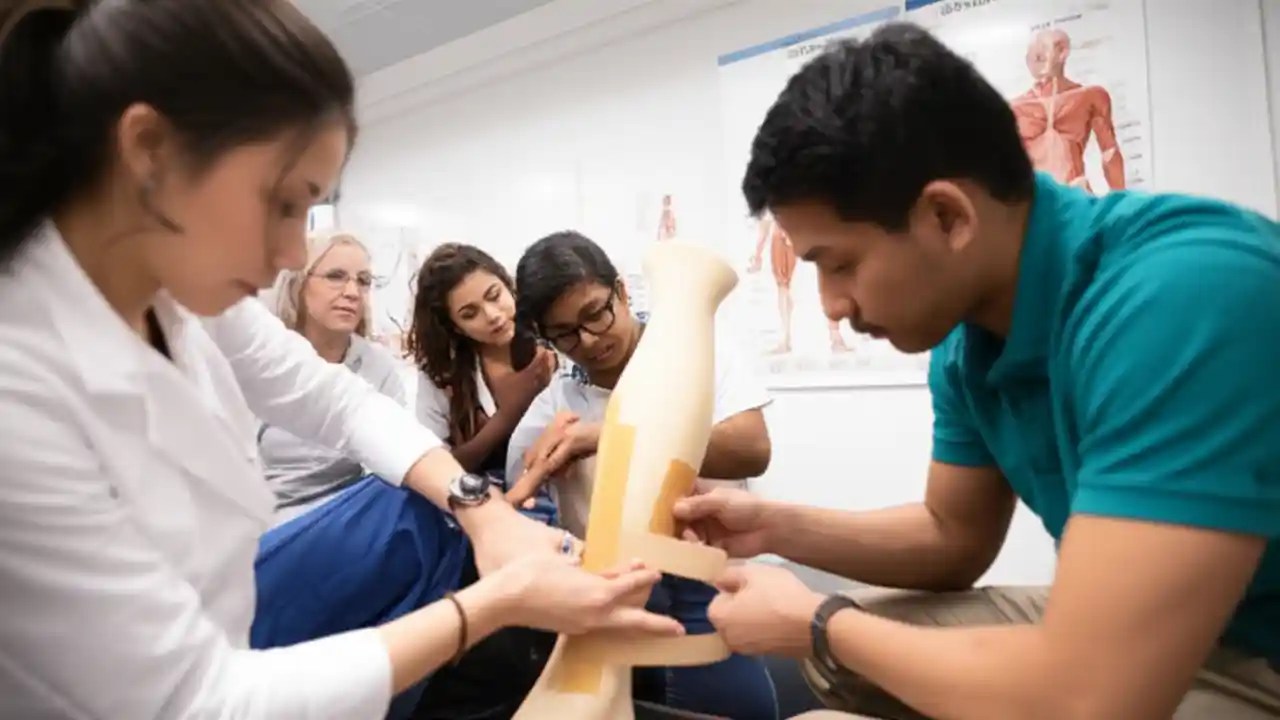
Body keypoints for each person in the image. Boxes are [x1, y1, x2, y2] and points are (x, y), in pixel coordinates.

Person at [0, 2, 682, 718]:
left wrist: (482, 514)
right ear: (149, 150)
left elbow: (339, 401)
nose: (295, 254)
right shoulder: (22, 395)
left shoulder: (187, 304)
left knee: (434, 505)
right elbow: (197, 702)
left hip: (230, 629)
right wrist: (493, 601)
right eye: (283, 204)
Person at [673, 22, 1280, 720]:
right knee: (837, 664)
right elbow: (951, 538)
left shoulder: (1181, 296)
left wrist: (818, 621)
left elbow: (1092, 698)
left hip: (1260, 653)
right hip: (1181, 632)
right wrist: (769, 526)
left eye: (839, 264)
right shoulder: (969, 337)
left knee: (829, 673)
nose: (833, 307)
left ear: (947, 216)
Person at [505, 230, 781, 720]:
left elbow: (751, 448)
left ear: (622, 290)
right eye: (565, 333)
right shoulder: (556, 403)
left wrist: (604, 436)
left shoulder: (699, 351)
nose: (589, 340)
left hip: (705, 588)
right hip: (613, 600)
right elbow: (519, 503)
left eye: (596, 313)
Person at [250, 230, 468, 718]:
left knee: (436, 517)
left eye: (364, 281)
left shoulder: (376, 366)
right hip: (277, 527)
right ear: (298, 284)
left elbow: (391, 457)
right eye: (336, 276)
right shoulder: (261, 358)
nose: (353, 291)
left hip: (354, 516)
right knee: (414, 504)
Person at [405, 242, 561, 719]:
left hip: (546, 506)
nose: (492, 316)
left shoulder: (550, 346)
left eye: (495, 295)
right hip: (469, 518)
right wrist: (513, 406)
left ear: (508, 284)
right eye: (470, 313)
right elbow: (437, 461)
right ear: (454, 325)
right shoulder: (444, 374)